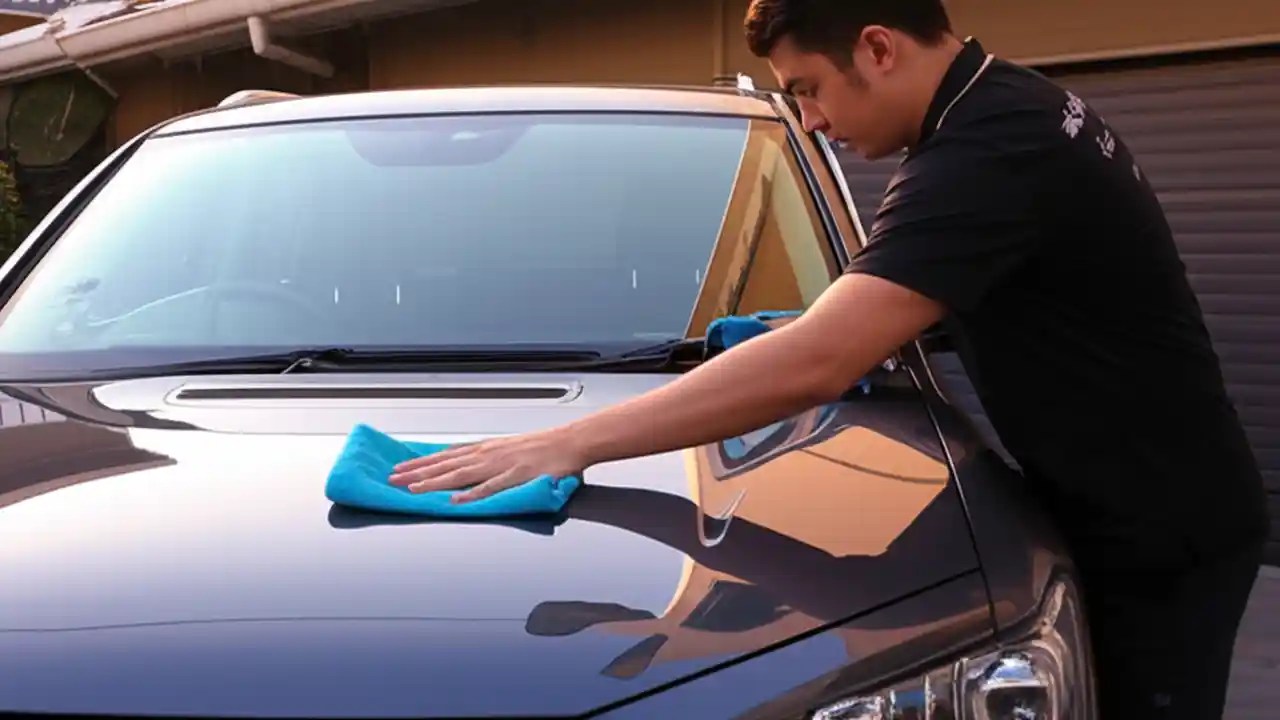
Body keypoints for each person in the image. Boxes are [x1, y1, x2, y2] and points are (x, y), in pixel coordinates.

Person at [389, 0, 1269, 716]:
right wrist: (813, 329)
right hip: (1136, 503)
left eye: (809, 89)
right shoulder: (1010, 109)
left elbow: (819, 362)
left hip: (1162, 535)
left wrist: (567, 444)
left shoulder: (985, 152)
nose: (811, 120)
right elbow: (974, 297)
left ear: (877, 48)